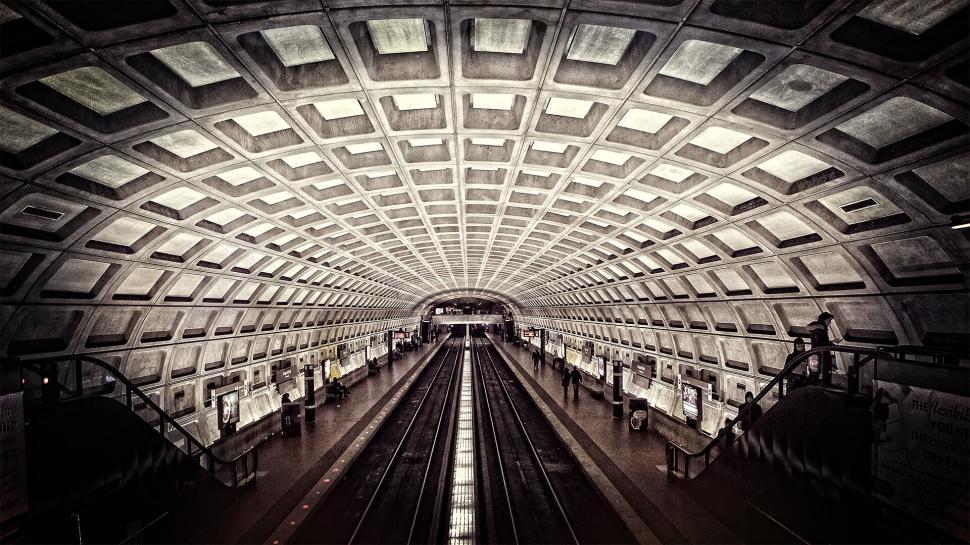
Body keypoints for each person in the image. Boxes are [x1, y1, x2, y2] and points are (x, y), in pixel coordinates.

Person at [808, 312, 841, 385]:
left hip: (815, 354)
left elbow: (820, 341)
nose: (829, 323)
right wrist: (833, 343)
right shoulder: (820, 329)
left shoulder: (817, 327)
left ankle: (817, 386)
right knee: (822, 373)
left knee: (815, 374)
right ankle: (822, 386)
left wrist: (832, 342)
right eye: (829, 320)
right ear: (825, 320)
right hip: (821, 355)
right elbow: (821, 343)